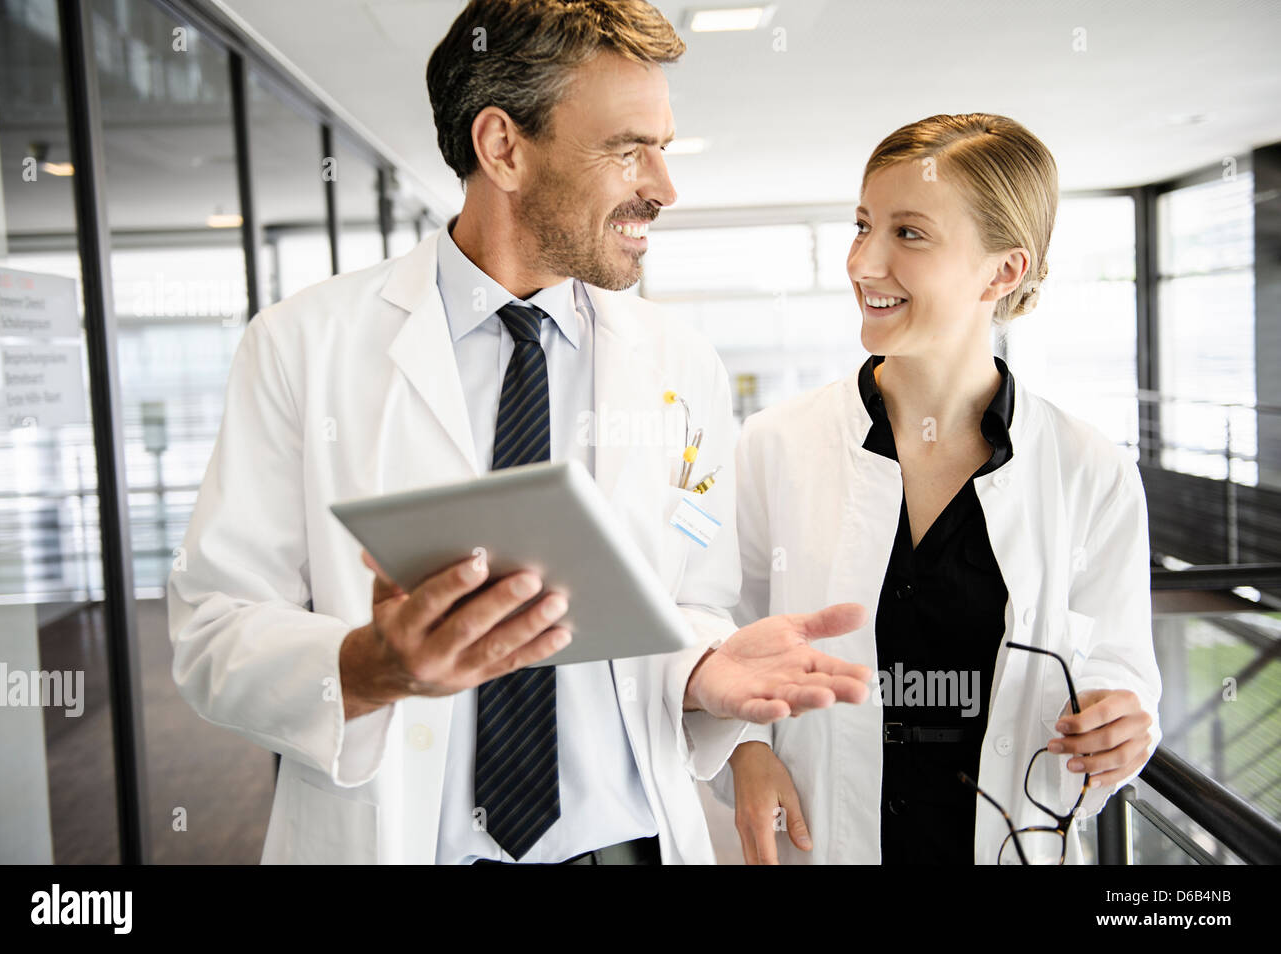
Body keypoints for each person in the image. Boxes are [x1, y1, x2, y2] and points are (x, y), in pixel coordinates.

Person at [167, 0, 870, 865]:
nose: (663, 185)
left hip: (630, 847)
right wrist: (365, 664)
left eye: (663, 147)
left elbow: (690, 598)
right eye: (627, 149)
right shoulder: (302, 346)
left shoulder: (682, 367)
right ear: (502, 147)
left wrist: (700, 668)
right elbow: (211, 629)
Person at [714, 113, 1162, 864]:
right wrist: (745, 751)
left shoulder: (1092, 472)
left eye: (909, 234)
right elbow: (725, 631)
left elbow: (1119, 669)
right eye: (863, 226)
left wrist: (1123, 726)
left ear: (1002, 271)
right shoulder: (775, 445)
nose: (863, 261)